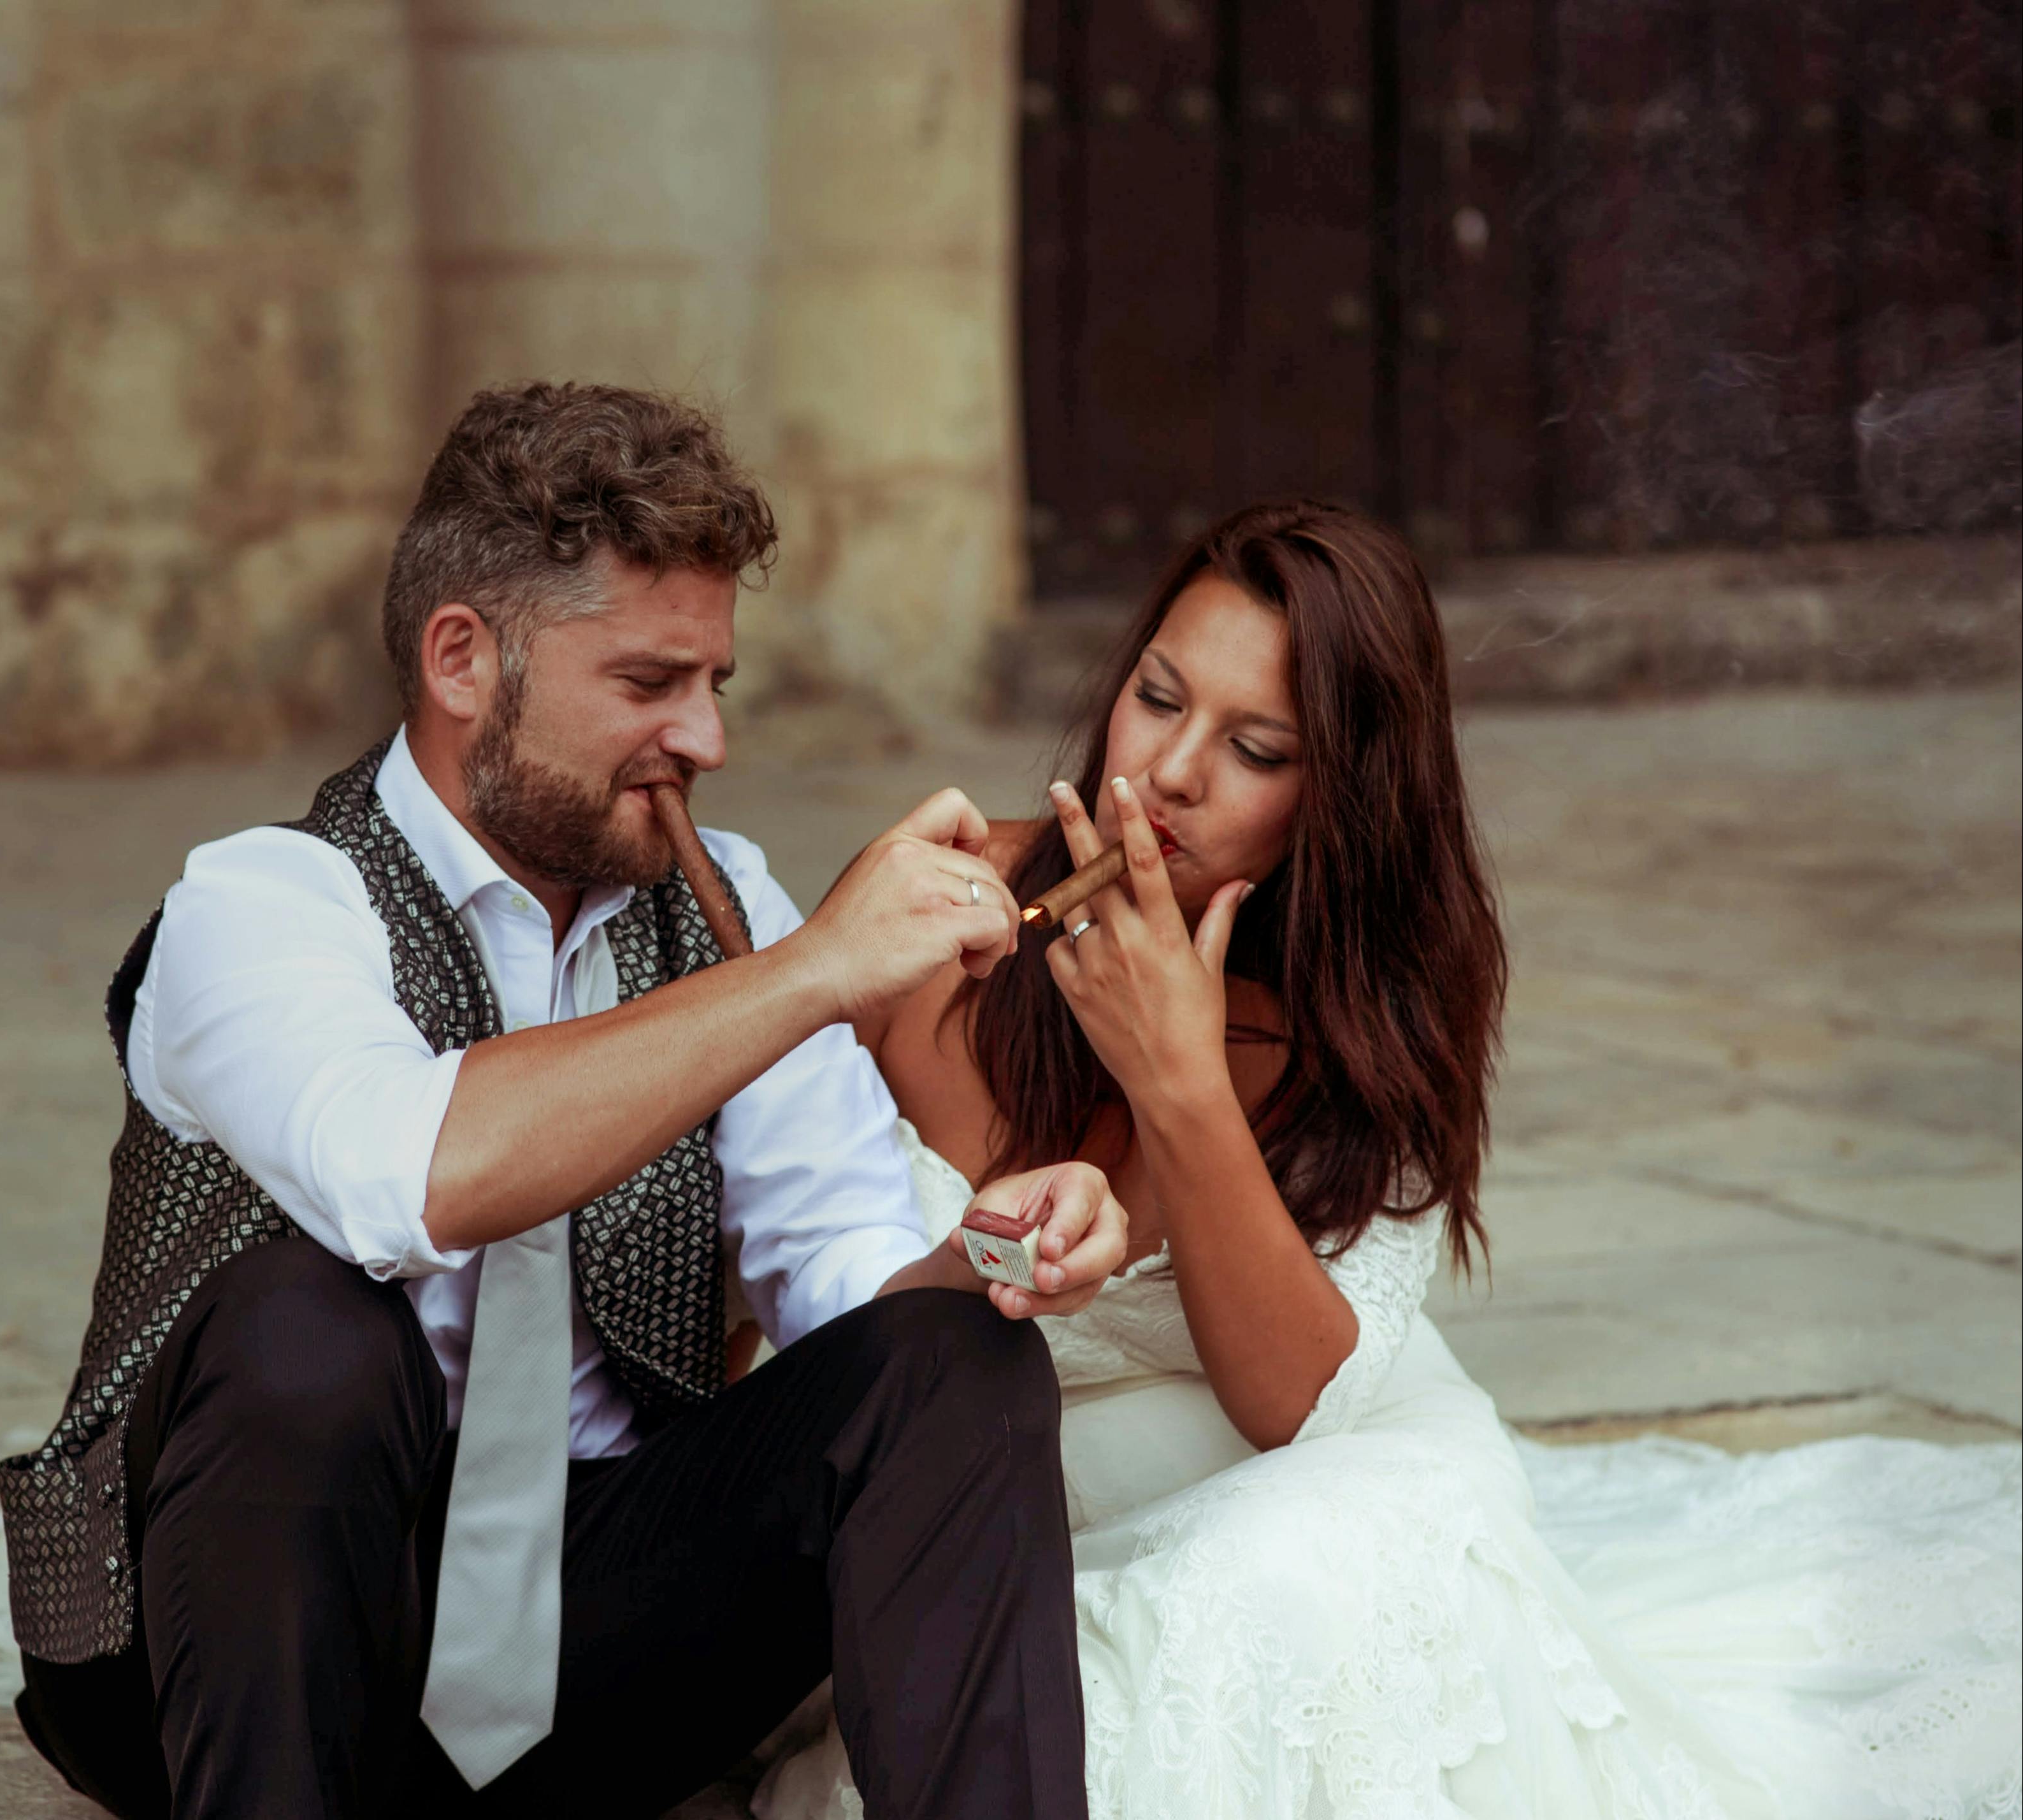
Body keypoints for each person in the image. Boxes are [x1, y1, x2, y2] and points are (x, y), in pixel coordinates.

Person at [753, 500, 2023, 1819]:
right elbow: (774, 1287)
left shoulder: (1359, 1014)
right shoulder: (940, 912)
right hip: (976, 1492)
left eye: (1254, 747)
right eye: (1156, 697)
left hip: (1291, 1454)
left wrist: (1179, 1081)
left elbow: (1294, 1409)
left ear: (1340, 797)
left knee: (1307, 1583)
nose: (1173, 771)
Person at [0, 381, 1132, 1819]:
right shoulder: (265, 901)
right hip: (215, 1665)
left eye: (716, 683)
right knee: (310, 1328)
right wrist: (810, 976)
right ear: (464, 660)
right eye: (650, 684)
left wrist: (993, 1253)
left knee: (955, 1361)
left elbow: (846, 1292)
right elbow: (408, 1176)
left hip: (579, 1638)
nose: (704, 740)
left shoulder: (734, 916)